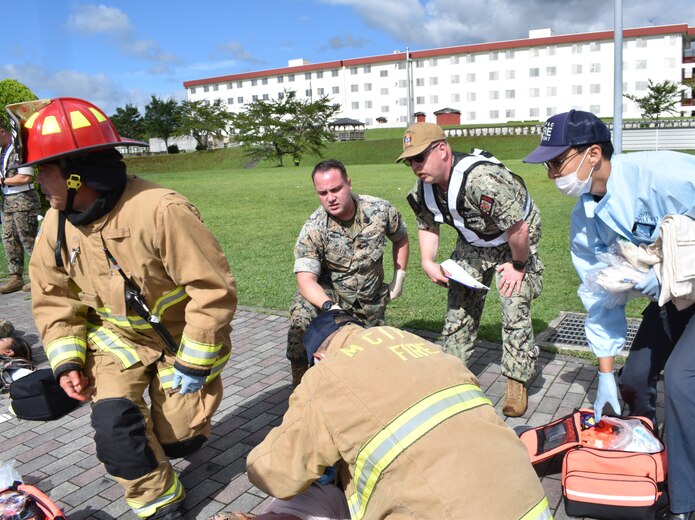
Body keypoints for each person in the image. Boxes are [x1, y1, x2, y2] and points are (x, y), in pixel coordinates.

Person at [523, 109, 695, 519]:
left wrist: (675, 271)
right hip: (676, 293)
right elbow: (599, 298)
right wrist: (604, 376)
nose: (551, 174)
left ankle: (692, 501)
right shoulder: (585, 220)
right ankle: (651, 458)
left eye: (556, 161)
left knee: (684, 378)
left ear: (593, 153)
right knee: (633, 379)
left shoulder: (661, 176)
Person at [12, 98, 237, 520]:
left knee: (180, 440)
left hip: (178, 344)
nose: (35, 179)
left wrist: (194, 362)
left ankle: (173, 435)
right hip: (118, 343)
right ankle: (160, 504)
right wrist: (68, 362)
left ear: (78, 172)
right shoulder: (55, 224)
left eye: (44, 169)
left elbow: (213, 291)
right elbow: (53, 298)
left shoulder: (161, 210)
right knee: (117, 427)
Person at [242, 309, 551, 520]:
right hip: (533, 508)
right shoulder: (423, 347)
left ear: (319, 357)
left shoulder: (328, 373)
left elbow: (275, 473)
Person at [398, 122, 543, 417]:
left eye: (421, 157)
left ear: (442, 150)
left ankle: (517, 380)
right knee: (459, 304)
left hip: (514, 241)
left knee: (513, 302)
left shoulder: (482, 180)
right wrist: (428, 261)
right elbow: (427, 223)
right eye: (411, 160)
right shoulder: (425, 187)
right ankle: (451, 375)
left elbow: (519, 228)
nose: (415, 166)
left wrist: (518, 266)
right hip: (475, 241)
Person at [287, 159, 409, 386]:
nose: (330, 198)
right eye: (322, 192)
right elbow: (305, 280)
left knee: (374, 366)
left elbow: (400, 236)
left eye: (335, 189)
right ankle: (302, 391)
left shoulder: (379, 210)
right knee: (300, 321)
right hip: (333, 296)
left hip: (370, 299)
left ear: (349, 184)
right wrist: (328, 307)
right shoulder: (314, 228)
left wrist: (399, 277)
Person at [0, 120, 41, 293]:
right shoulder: (2, 151)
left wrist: (2, 180)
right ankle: (15, 277)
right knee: (9, 239)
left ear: (2, 132)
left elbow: (26, 177)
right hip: (8, 201)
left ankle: (39, 277)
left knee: (28, 239)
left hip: (24, 199)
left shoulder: (20, 149)